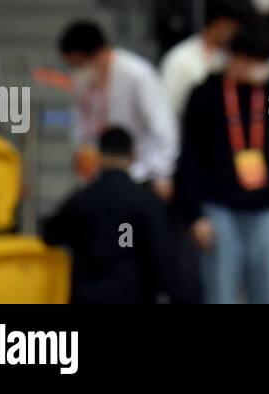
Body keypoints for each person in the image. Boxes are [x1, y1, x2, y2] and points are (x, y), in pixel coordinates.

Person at [175, 23, 269, 304]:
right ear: (235, 57)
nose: (259, 68)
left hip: (267, 207)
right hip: (218, 208)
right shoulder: (206, 94)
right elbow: (189, 155)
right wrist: (194, 214)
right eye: (254, 60)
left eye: (265, 61)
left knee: (267, 293)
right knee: (221, 293)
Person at [42, 127, 180, 304]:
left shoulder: (82, 199)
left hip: (88, 297)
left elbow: (51, 234)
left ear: (99, 156)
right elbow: (164, 259)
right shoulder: (147, 201)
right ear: (132, 156)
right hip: (135, 296)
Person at [59, 21, 178, 198]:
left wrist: (162, 173)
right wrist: (82, 151)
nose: (77, 71)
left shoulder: (137, 74)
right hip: (101, 174)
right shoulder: (81, 80)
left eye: (79, 64)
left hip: (142, 173)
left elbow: (163, 127)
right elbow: (81, 124)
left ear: (96, 54)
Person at [159, 0, 244, 117]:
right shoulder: (180, 59)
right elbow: (168, 109)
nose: (234, 34)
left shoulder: (230, 58)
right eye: (232, 27)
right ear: (220, 23)